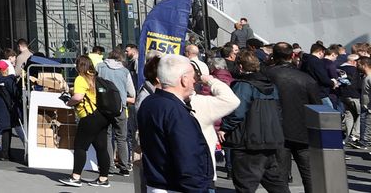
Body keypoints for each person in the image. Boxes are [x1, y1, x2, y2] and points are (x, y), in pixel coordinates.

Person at [137, 54, 215, 193]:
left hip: (158, 183)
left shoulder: (149, 103)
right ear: (184, 80)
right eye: (193, 77)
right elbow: (187, 156)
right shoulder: (174, 110)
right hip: (176, 186)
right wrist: (197, 188)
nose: (195, 81)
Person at [222, 49, 289, 193]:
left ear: (240, 66)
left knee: (245, 184)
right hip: (270, 139)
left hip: (248, 141)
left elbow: (237, 111)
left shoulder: (243, 85)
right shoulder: (270, 86)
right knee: (275, 183)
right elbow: (278, 111)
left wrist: (225, 128)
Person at [264, 43, 320, 193]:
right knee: (309, 175)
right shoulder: (306, 79)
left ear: (273, 56)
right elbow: (317, 106)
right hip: (303, 132)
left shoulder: (266, 75)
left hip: (276, 131)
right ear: (293, 55)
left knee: (280, 176)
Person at [60, 54, 111, 187]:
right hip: (102, 116)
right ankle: (103, 178)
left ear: (79, 66)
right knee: (101, 148)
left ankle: (76, 177)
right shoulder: (96, 78)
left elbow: (78, 97)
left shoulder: (81, 79)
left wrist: (68, 102)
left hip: (89, 116)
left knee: (80, 147)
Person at [97, 47, 135, 173]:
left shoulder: (100, 67)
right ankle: (124, 167)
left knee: (106, 136)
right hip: (120, 107)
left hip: (103, 106)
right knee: (121, 137)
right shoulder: (124, 71)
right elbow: (132, 92)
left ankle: (109, 166)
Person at [0, 58, 21, 159]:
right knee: (7, 130)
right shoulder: (8, 80)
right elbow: (15, 93)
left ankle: (4, 152)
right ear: (4, 70)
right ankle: (5, 154)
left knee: (2, 129)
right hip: (6, 107)